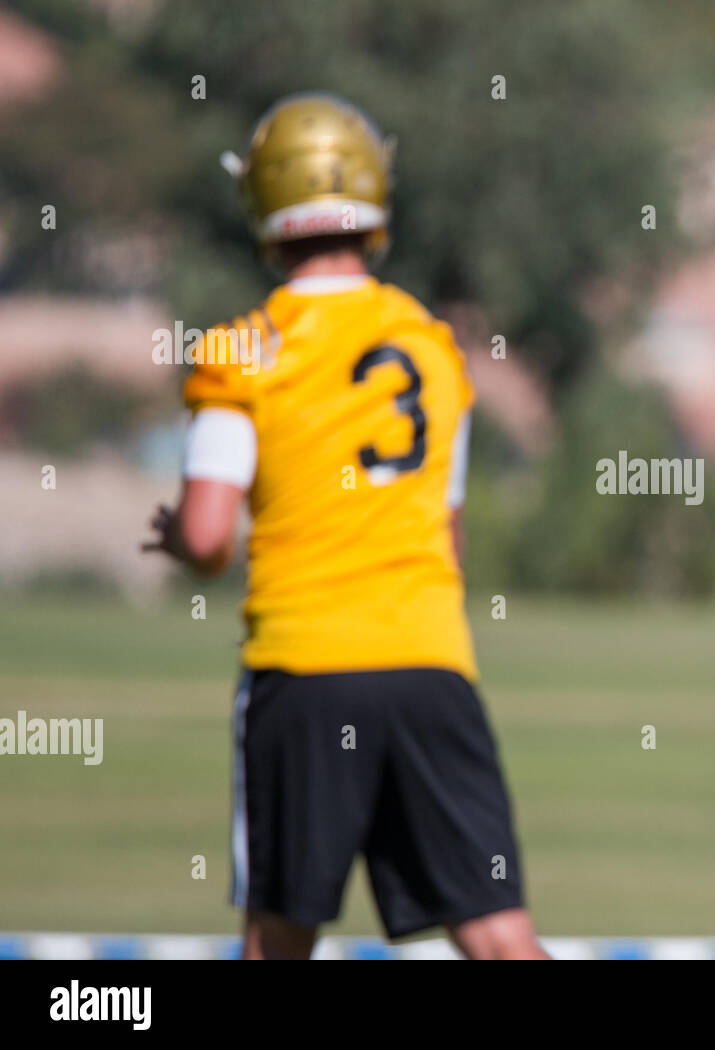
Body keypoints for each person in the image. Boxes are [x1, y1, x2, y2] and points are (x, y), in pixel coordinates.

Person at [143, 92, 546, 960]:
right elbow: (447, 533)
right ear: (373, 198)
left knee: (278, 942)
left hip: (307, 667)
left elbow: (210, 536)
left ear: (263, 203)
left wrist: (176, 535)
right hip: (431, 665)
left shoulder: (238, 350)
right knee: (500, 936)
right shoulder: (434, 345)